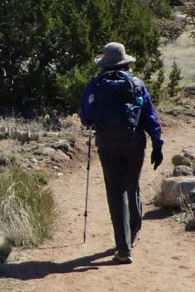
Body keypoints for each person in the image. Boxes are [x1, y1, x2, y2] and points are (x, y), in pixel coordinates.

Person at [80, 42, 164, 264]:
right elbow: (150, 117)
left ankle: (123, 249)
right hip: (134, 143)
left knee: (116, 194)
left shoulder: (95, 85)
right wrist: (157, 144)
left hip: (108, 145)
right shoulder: (136, 84)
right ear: (126, 62)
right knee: (132, 185)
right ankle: (135, 230)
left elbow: (86, 117)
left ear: (104, 64)